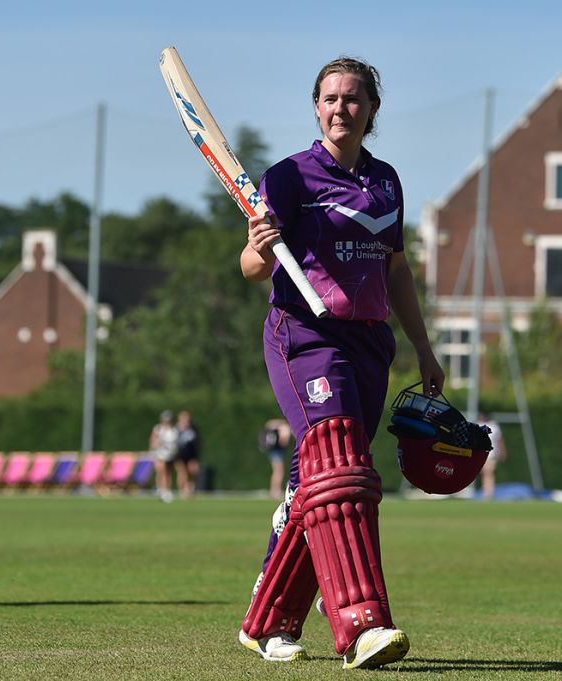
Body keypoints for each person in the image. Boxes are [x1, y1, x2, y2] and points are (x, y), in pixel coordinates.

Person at [236, 56, 444, 670]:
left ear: (372, 110)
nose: (339, 109)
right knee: (340, 462)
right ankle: (359, 621)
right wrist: (256, 247)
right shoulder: (290, 177)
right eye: (329, 98)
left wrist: (424, 348)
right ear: (315, 105)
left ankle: (268, 621)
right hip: (304, 334)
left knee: (324, 480)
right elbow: (252, 270)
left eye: (352, 99)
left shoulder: (386, 182)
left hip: (369, 342)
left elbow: (396, 271)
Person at [149, 410, 179, 503]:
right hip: (159, 453)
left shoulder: (174, 430)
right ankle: (161, 489)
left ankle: (166, 490)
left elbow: (176, 443)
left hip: (170, 454)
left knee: (167, 472)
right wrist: (157, 446)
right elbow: (152, 441)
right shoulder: (158, 428)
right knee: (161, 470)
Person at [259, 418, 292, 501]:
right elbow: (284, 442)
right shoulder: (283, 427)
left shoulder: (279, 426)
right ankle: (275, 491)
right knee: (278, 471)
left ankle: (275, 490)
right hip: (277, 452)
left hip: (276, 452)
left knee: (278, 471)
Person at [476, 411, 507, 500]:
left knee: (488, 473)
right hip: (481, 453)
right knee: (485, 474)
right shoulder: (478, 425)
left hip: (490, 454)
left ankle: (488, 493)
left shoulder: (494, 426)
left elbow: (499, 440)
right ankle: (487, 492)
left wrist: (502, 452)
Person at [174, 410, 201, 499]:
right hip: (179, 455)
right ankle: (182, 491)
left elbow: (198, 442)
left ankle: (189, 490)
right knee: (182, 473)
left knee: (192, 472)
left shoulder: (193, 429)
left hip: (191, 455)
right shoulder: (176, 429)